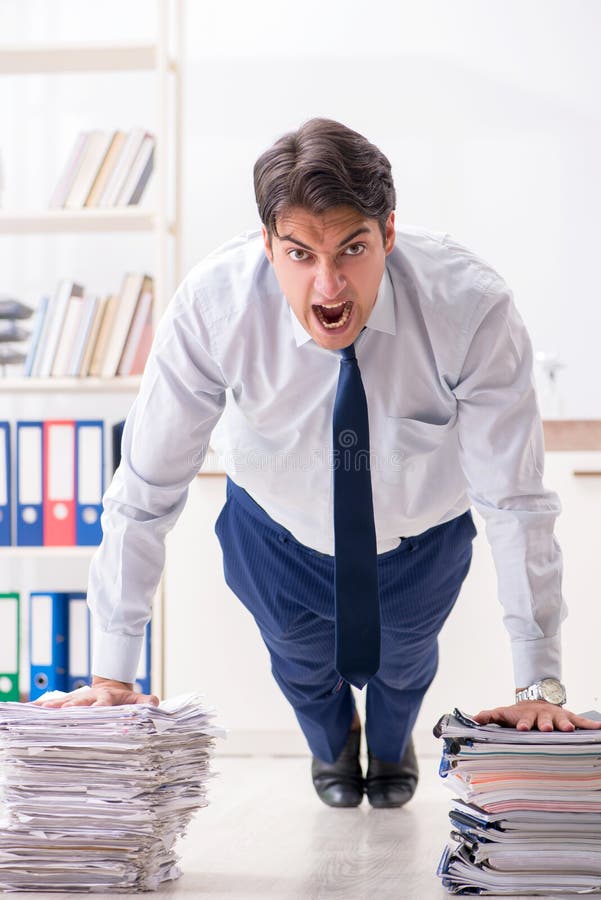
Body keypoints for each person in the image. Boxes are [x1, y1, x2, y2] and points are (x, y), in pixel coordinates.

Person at [39, 118, 600, 809]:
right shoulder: (213, 307)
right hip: (273, 530)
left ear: (388, 234)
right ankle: (333, 742)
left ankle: (392, 744)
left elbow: (514, 500)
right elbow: (146, 488)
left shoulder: (470, 306)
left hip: (420, 538)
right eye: (300, 253)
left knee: (404, 663)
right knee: (301, 664)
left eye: (352, 249)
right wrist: (114, 673)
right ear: (268, 245)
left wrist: (536, 688)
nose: (327, 285)